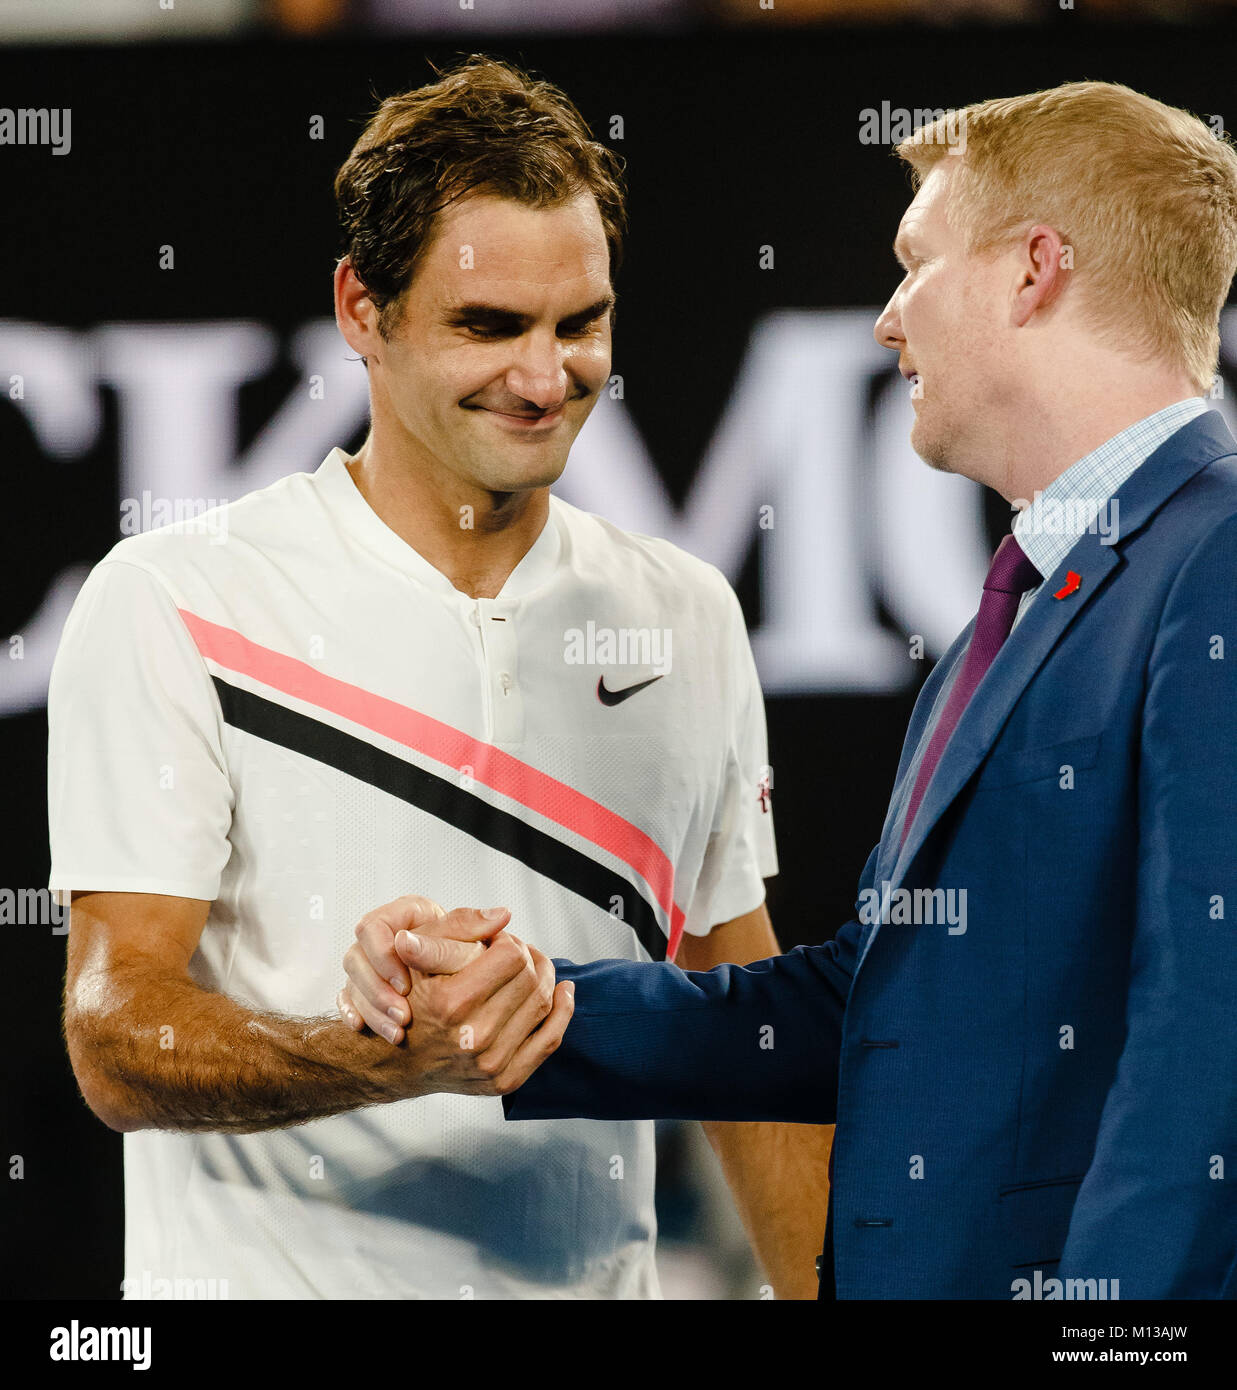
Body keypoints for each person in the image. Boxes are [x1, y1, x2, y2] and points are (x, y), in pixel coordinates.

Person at [346, 80, 1237, 1299]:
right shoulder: (1029, 601)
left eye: (914, 263)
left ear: (1033, 271)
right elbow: (873, 1005)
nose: (886, 319)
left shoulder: (1217, 556)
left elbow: (1212, 1044)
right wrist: (535, 1006)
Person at [48, 55, 829, 1299]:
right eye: (488, 325)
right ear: (363, 308)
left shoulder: (684, 614)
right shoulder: (175, 600)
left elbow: (739, 1028)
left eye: (580, 324)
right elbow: (113, 1032)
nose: (544, 375)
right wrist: (390, 1062)